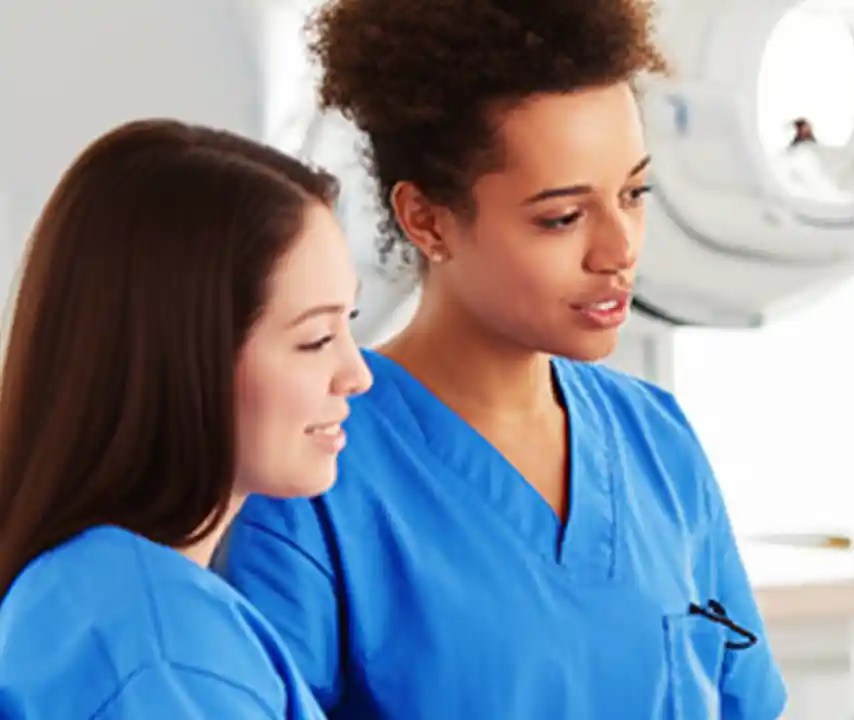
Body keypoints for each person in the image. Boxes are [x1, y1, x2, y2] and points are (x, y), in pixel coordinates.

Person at [216, 1, 788, 718]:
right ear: (427, 219)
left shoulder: (658, 442)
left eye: (633, 194)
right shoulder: (311, 477)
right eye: (562, 218)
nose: (619, 250)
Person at [0, 118, 372, 718]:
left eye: (348, 323)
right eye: (316, 339)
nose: (357, 375)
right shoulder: (162, 657)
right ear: (183, 358)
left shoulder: (98, 600)